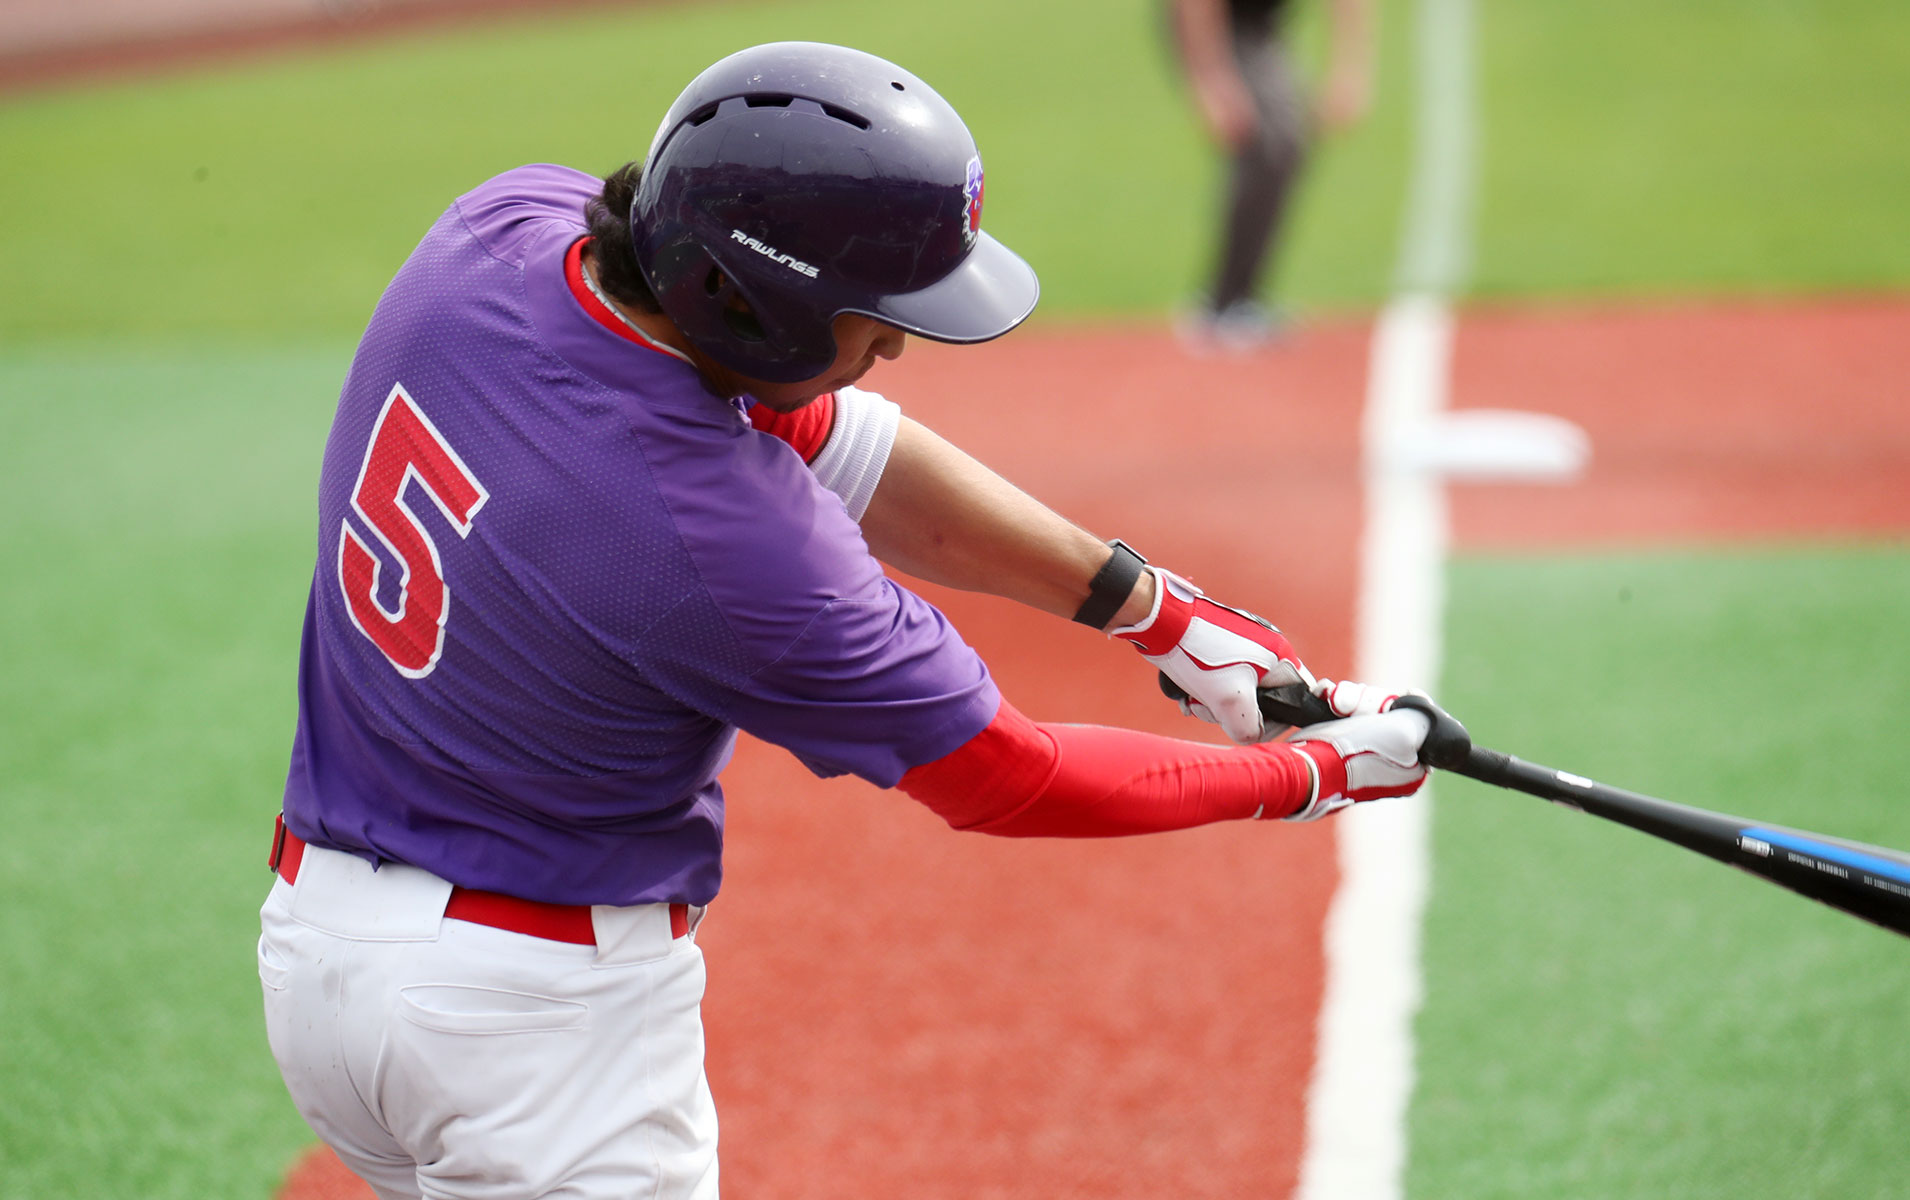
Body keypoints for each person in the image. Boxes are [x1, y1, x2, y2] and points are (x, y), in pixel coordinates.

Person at [257, 40, 1431, 1200]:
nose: (897, 345)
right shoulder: (729, 544)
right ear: (755, 305)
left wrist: (1156, 613)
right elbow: (1012, 778)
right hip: (535, 1036)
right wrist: (1309, 774)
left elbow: (830, 439)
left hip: (320, 967)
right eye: (871, 311)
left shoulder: (500, 233)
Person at [1169, 0, 1374, 349]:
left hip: (1260, 26)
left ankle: (1239, 298)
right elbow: (1193, 7)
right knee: (1267, 145)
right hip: (1214, 29)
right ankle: (1222, 303)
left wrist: (1349, 69)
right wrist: (1209, 82)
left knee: (1286, 145)